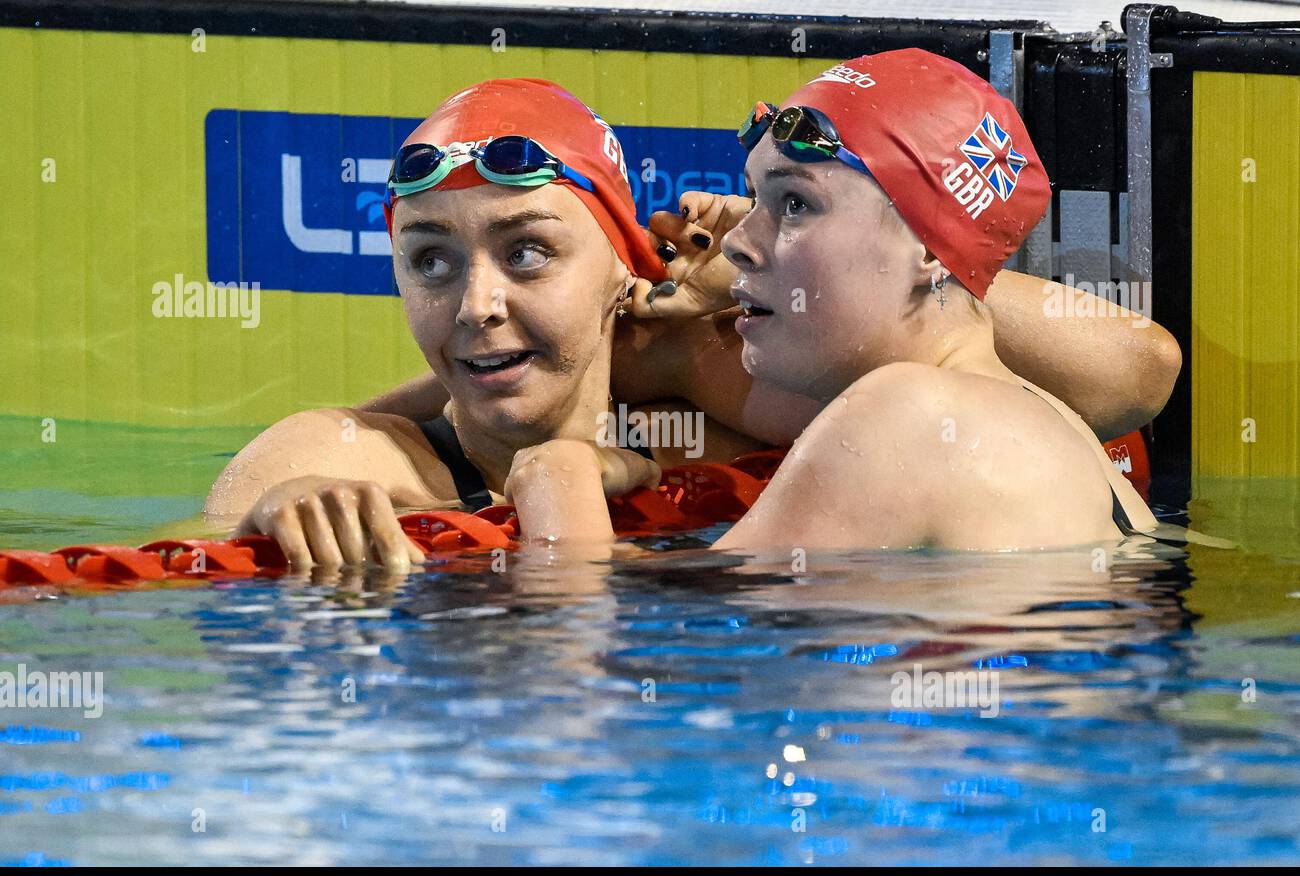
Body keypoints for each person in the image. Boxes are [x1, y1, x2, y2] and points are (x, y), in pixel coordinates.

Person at [208, 67, 1178, 568]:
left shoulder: (743, 382)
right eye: (429, 260)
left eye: (528, 250)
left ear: (628, 264)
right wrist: (267, 517)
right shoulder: (335, 456)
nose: (477, 305)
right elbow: (182, 592)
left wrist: (847, 263)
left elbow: (1130, 372)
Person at [504, 49, 1161, 551]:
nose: (739, 246)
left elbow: (641, 654)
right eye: (753, 200)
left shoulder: (906, 413)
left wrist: (559, 497)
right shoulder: (1050, 415)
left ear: (927, 248)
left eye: (795, 204)